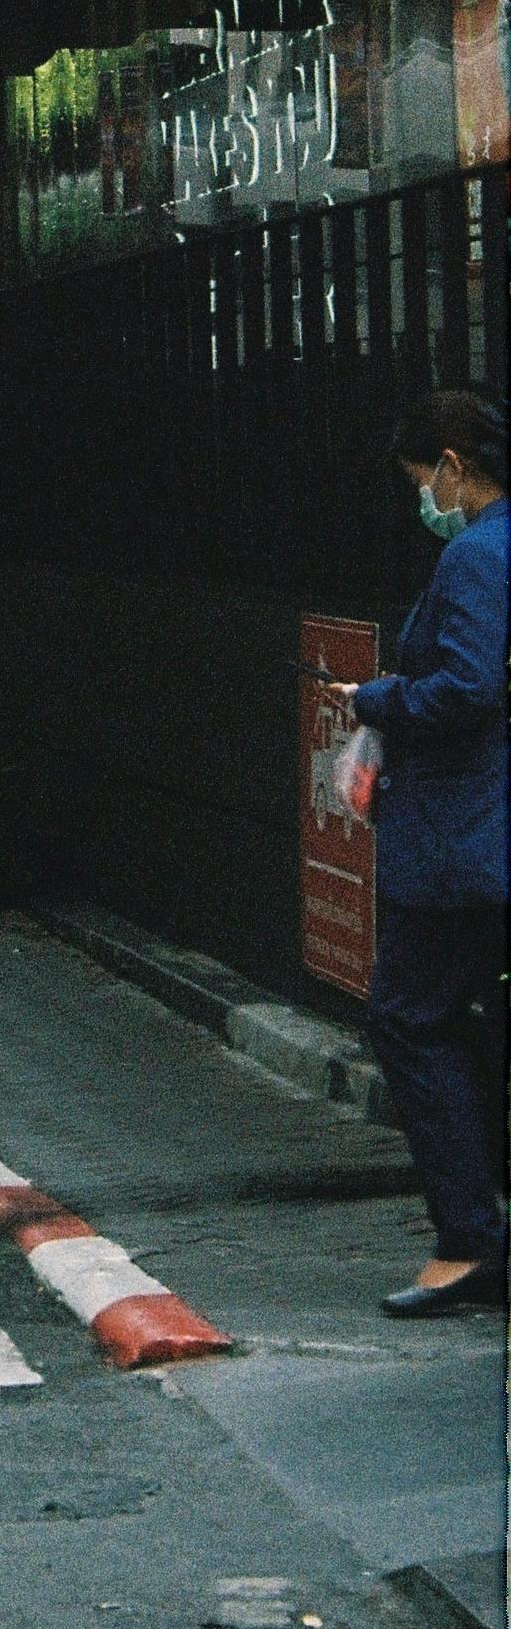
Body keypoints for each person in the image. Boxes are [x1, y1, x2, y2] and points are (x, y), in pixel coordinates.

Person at [328, 390, 508, 1318]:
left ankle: (471, 1242)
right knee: (458, 1014)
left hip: (462, 836)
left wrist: (379, 701)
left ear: (450, 463)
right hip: (485, 829)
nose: (424, 499)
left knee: (405, 1017)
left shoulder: (478, 555)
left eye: (421, 481)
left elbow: (472, 684)